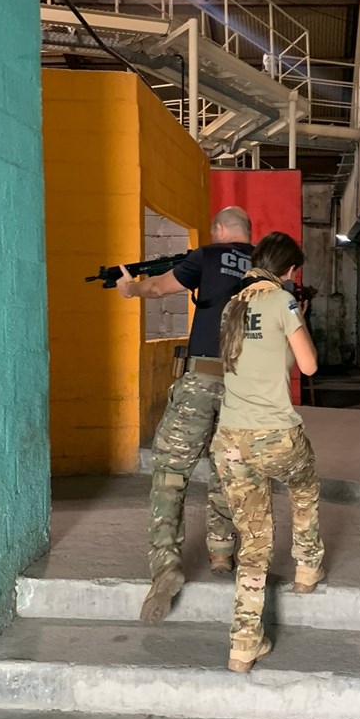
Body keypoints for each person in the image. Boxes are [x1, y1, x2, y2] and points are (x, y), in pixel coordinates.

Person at [116, 206, 253, 623]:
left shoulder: (207, 255)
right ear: (247, 233)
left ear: (218, 229)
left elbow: (159, 289)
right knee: (230, 468)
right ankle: (222, 553)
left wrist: (129, 289)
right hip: (248, 386)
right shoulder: (267, 263)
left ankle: (167, 568)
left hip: (202, 380)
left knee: (170, 473)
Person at [209, 232, 323, 674]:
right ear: (290, 270)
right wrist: (298, 321)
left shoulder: (231, 306)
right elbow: (308, 365)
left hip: (230, 441)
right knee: (305, 484)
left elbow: (247, 361)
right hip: (275, 437)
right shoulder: (284, 302)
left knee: (253, 542)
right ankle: (307, 569)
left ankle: (243, 645)